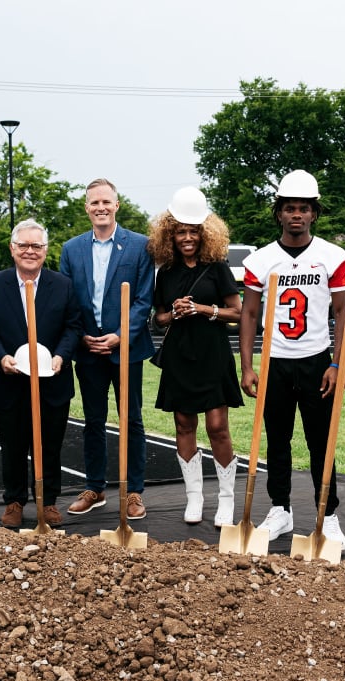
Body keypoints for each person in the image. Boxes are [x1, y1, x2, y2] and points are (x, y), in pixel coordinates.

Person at [238, 170, 345, 548]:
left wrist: (337, 362)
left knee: (322, 440)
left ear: (314, 213)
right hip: (276, 362)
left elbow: (341, 313)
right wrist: (248, 365)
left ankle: (327, 512)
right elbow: (250, 314)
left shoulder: (332, 257)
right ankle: (281, 508)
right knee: (277, 439)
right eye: (290, 208)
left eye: (303, 208)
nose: (296, 215)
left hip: (317, 359)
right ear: (279, 213)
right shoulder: (261, 260)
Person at [58, 178, 155, 519]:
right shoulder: (71, 249)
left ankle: (133, 492)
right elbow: (67, 299)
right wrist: (83, 335)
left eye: (106, 202)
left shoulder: (139, 246)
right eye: (94, 203)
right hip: (88, 349)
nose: (100, 207)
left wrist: (119, 335)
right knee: (94, 421)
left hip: (125, 348)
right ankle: (95, 487)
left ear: (117, 205)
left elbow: (144, 300)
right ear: (86, 208)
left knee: (132, 420)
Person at [148, 187, 244, 526]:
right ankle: (194, 498)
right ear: (170, 235)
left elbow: (238, 312)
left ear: (204, 234)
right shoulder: (166, 273)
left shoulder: (217, 267)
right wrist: (174, 313)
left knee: (218, 426)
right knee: (184, 423)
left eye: (193, 231)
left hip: (213, 353)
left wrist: (202, 308)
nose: (187, 237)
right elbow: (158, 318)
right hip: (179, 355)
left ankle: (227, 499)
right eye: (180, 231)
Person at [0, 219, 83, 529]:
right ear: (12, 249)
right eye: (23, 245)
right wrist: (1, 357)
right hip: (7, 380)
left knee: (50, 443)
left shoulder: (63, 285)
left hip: (52, 380)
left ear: (45, 250)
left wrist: (61, 356)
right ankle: (14, 500)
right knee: (12, 442)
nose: (29, 251)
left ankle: (48, 500)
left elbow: (73, 326)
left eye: (36, 246)